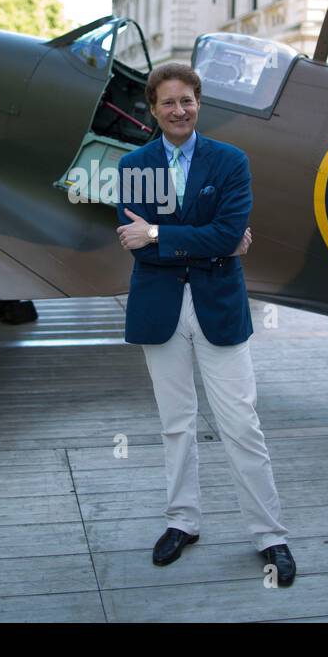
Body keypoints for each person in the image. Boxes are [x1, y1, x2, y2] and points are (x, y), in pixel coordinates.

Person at [115, 61, 294, 585]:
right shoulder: (133, 165)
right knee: (176, 423)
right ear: (152, 110)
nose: (179, 110)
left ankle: (270, 535)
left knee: (241, 423)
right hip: (160, 308)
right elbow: (139, 243)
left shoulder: (230, 161)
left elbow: (224, 233)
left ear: (199, 103)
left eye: (187, 100)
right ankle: (182, 522)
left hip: (218, 306)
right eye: (168, 102)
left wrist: (161, 235)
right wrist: (209, 239)